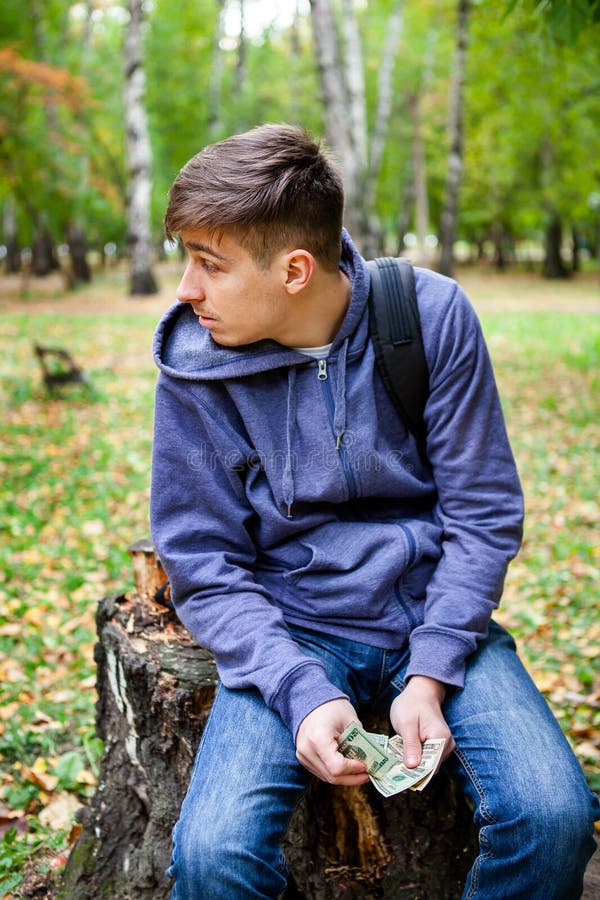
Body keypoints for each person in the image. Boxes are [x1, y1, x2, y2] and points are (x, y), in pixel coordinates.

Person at [150, 123, 598, 899]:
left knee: (555, 817)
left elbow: (483, 512)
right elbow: (200, 560)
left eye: (208, 265)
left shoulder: (427, 317)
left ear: (294, 269)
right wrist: (299, 689)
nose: (187, 290)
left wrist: (430, 672)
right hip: (288, 628)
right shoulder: (196, 364)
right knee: (214, 857)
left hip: (429, 614)